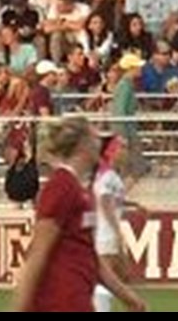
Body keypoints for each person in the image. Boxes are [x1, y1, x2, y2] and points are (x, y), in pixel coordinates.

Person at [12, 118, 102, 313]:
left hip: (75, 297)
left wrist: (127, 296)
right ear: (82, 144)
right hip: (60, 299)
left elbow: (89, 255)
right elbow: (38, 251)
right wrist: (20, 307)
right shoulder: (61, 186)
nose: (99, 143)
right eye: (94, 138)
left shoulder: (77, 188)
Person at [92, 133, 149, 313]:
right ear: (112, 152)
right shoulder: (107, 176)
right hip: (105, 233)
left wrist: (133, 205)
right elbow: (105, 202)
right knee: (108, 277)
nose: (125, 151)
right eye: (121, 148)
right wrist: (116, 231)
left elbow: (114, 200)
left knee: (122, 276)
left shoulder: (112, 176)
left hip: (109, 232)